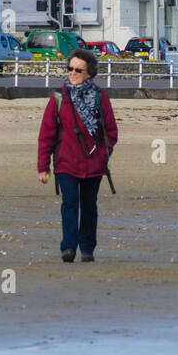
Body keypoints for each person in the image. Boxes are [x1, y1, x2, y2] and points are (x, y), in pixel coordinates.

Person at [37, 49, 119, 263]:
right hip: (66, 163)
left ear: (89, 73)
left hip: (94, 164)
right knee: (70, 204)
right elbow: (46, 134)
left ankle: (88, 249)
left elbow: (111, 132)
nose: (72, 73)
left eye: (78, 70)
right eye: (70, 68)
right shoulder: (59, 97)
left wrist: (103, 154)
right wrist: (43, 166)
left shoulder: (101, 98)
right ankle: (68, 248)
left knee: (89, 207)